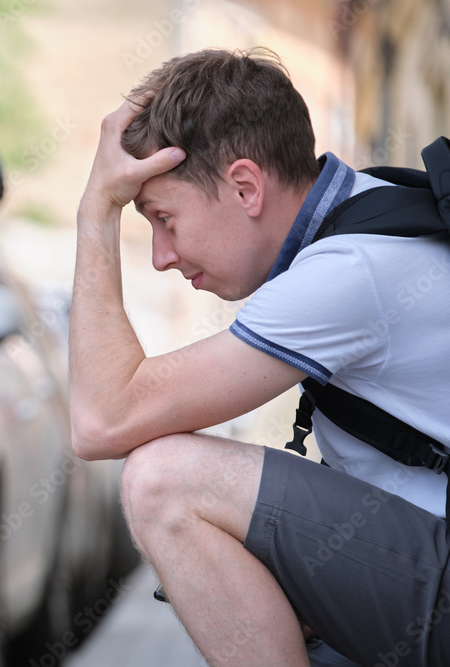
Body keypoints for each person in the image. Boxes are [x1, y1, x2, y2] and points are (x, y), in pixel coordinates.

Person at [69, 47, 450, 666]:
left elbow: (102, 419)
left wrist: (95, 214)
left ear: (245, 186)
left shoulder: (347, 271)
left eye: (164, 218)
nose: (162, 256)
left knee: (164, 480)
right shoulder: (373, 207)